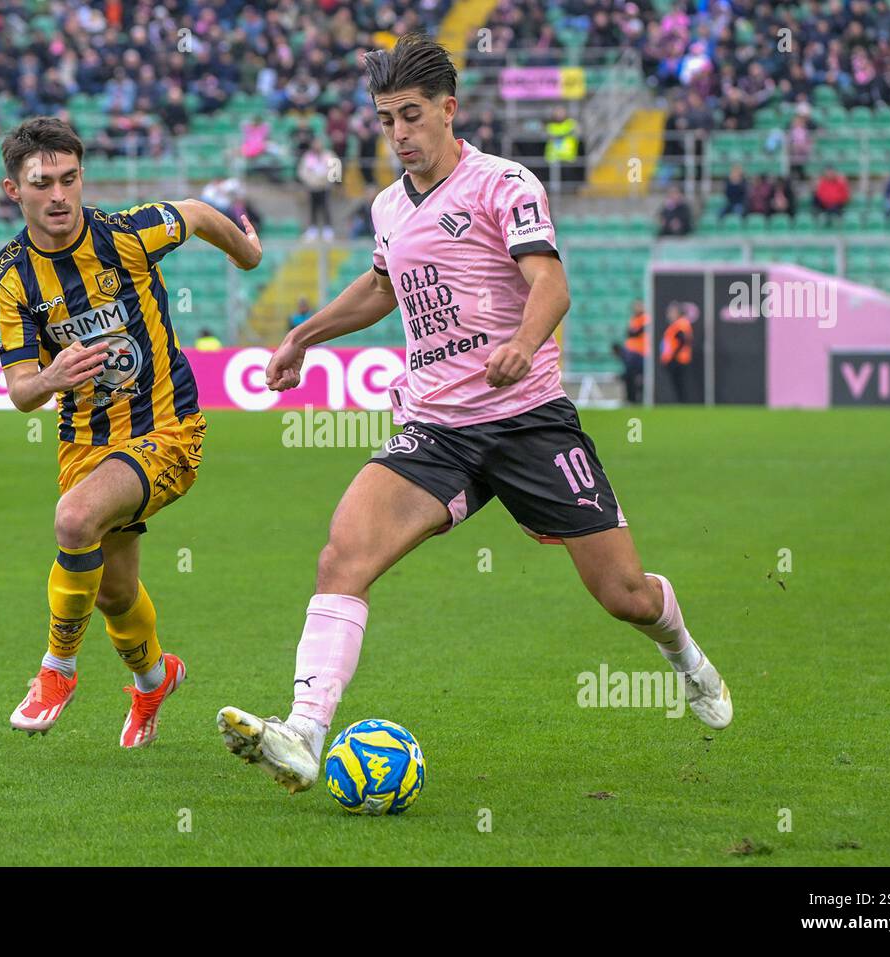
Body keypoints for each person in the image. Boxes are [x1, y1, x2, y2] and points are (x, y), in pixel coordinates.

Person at [216, 35, 732, 796]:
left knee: (626, 595)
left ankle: (685, 653)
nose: (398, 134)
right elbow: (381, 286)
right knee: (343, 555)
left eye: (412, 116)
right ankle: (303, 731)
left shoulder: (505, 183)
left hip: (529, 419)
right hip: (436, 428)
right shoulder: (390, 205)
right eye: (386, 119)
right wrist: (301, 335)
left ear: (449, 110)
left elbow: (551, 284)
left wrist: (525, 342)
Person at [0, 117, 262, 747]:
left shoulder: (126, 236)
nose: (59, 195)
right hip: (84, 442)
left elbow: (195, 213)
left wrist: (248, 255)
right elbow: (21, 391)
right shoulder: (10, 278)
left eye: (69, 179)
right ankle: (152, 679)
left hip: (167, 429)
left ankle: (57, 669)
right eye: (42, 183)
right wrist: (55, 374)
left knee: (74, 520)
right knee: (113, 593)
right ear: (14, 191)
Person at [614, 301, 648, 403]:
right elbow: (630, 333)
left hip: (641, 353)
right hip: (631, 352)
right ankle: (630, 398)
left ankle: (638, 399)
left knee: (637, 376)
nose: (636, 308)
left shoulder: (645, 318)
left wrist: (632, 332)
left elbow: (634, 332)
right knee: (629, 376)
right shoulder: (634, 319)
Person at [660, 301, 694, 403]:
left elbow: (682, 340)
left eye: (671, 312)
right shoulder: (676, 324)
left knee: (680, 383)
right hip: (675, 359)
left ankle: (682, 402)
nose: (669, 314)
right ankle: (680, 402)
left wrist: (673, 356)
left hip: (678, 359)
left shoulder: (681, 323)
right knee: (677, 383)